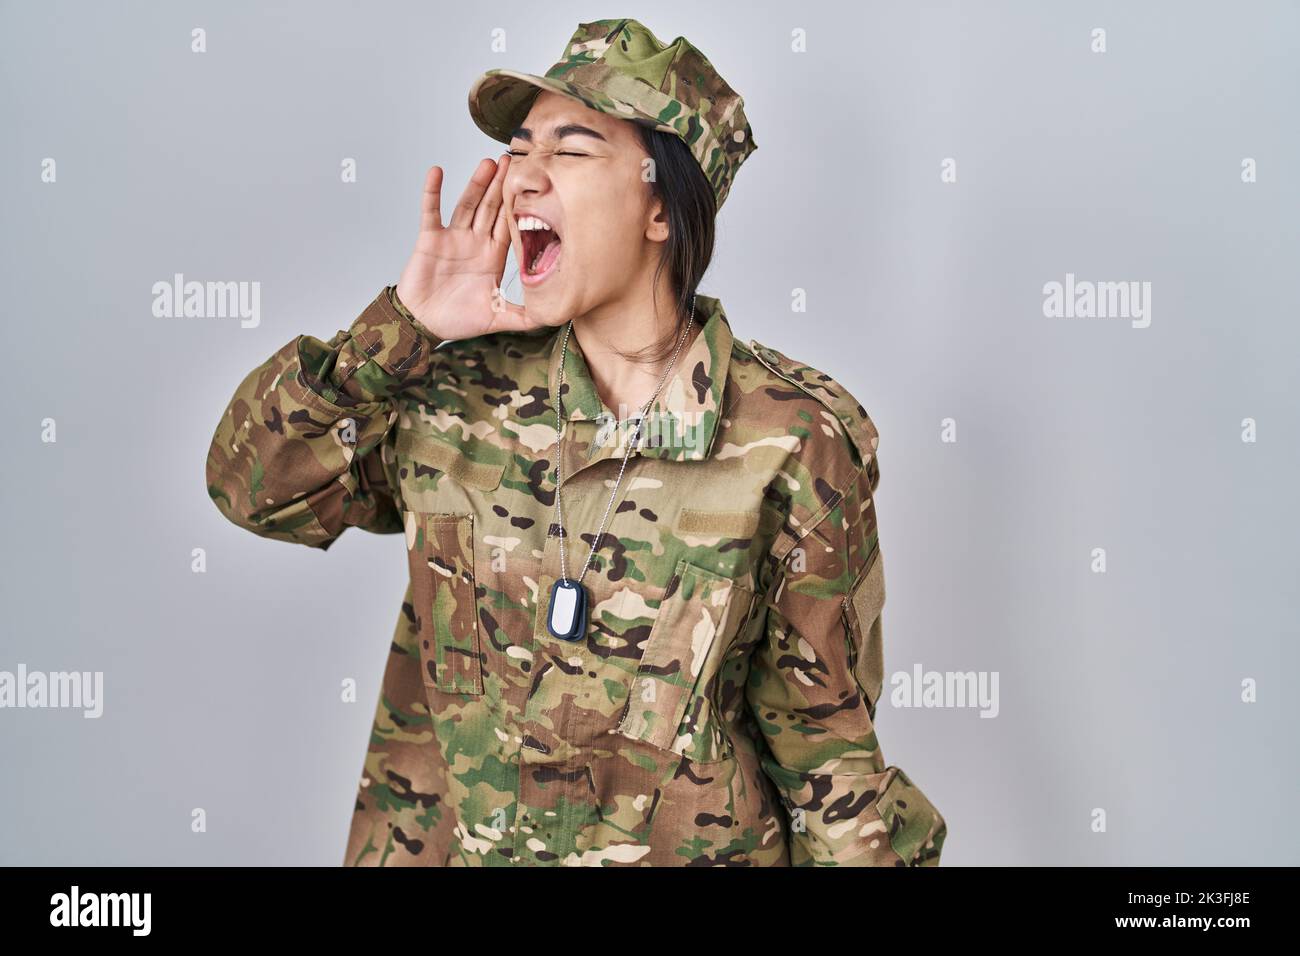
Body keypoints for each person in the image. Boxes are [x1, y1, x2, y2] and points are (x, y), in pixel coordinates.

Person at [204, 17, 947, 867]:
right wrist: (401, 328)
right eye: (520, 149)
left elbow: (826, 762)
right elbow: (253, 488)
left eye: (571, 149)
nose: (522, 177)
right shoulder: (454, 396)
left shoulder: (789, 440)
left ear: (662, 205)